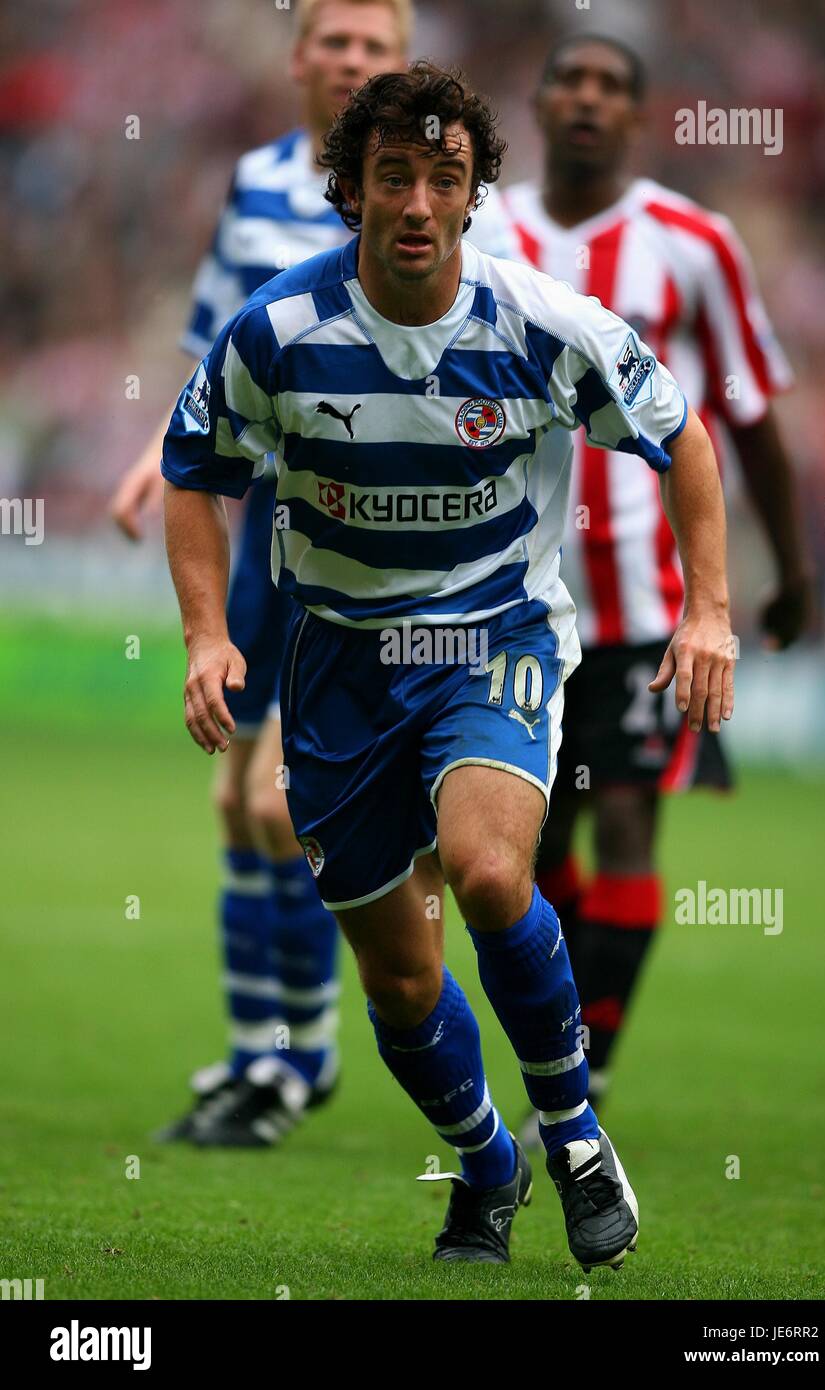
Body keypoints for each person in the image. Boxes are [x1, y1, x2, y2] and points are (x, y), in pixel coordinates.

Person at [160, 62, 735, 1269]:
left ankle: (572, 1134)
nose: (417, 202)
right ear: (351, 190)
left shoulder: (538, 324)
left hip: (494, 644)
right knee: (405, 980)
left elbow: (681, 437)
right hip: (341, 670)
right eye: (392, 177)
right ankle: (485, 1164)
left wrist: (707, 612)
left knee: (483, 874)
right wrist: (208, 633)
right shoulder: (277, 333)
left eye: (444, 177)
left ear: (473, 195)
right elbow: (192, 473)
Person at [109, 0, 521, 1147]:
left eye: (372, 48)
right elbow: (215, 349)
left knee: (280, 806)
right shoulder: (252, 183)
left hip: (365, 553)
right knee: (235, 803)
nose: (349, 60)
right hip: (269, 540)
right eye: (331, 42)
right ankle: (265, 1056)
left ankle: (304, 1056)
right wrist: (162, 453)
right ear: (296, 59)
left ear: (404, 68)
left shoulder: (427, 188)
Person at [501, 35, 811, 1126]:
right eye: (569, 79)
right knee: (524, 852)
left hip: (643, 612)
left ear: (637, 114)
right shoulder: (481, 232)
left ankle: (578, 1083)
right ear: (537, 102)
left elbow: (748, 414)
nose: (586, 97)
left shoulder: (692, 242)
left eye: (610, 86)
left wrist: (787, 567)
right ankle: (562, 1050)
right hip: (517, 607)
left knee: (625, 822)